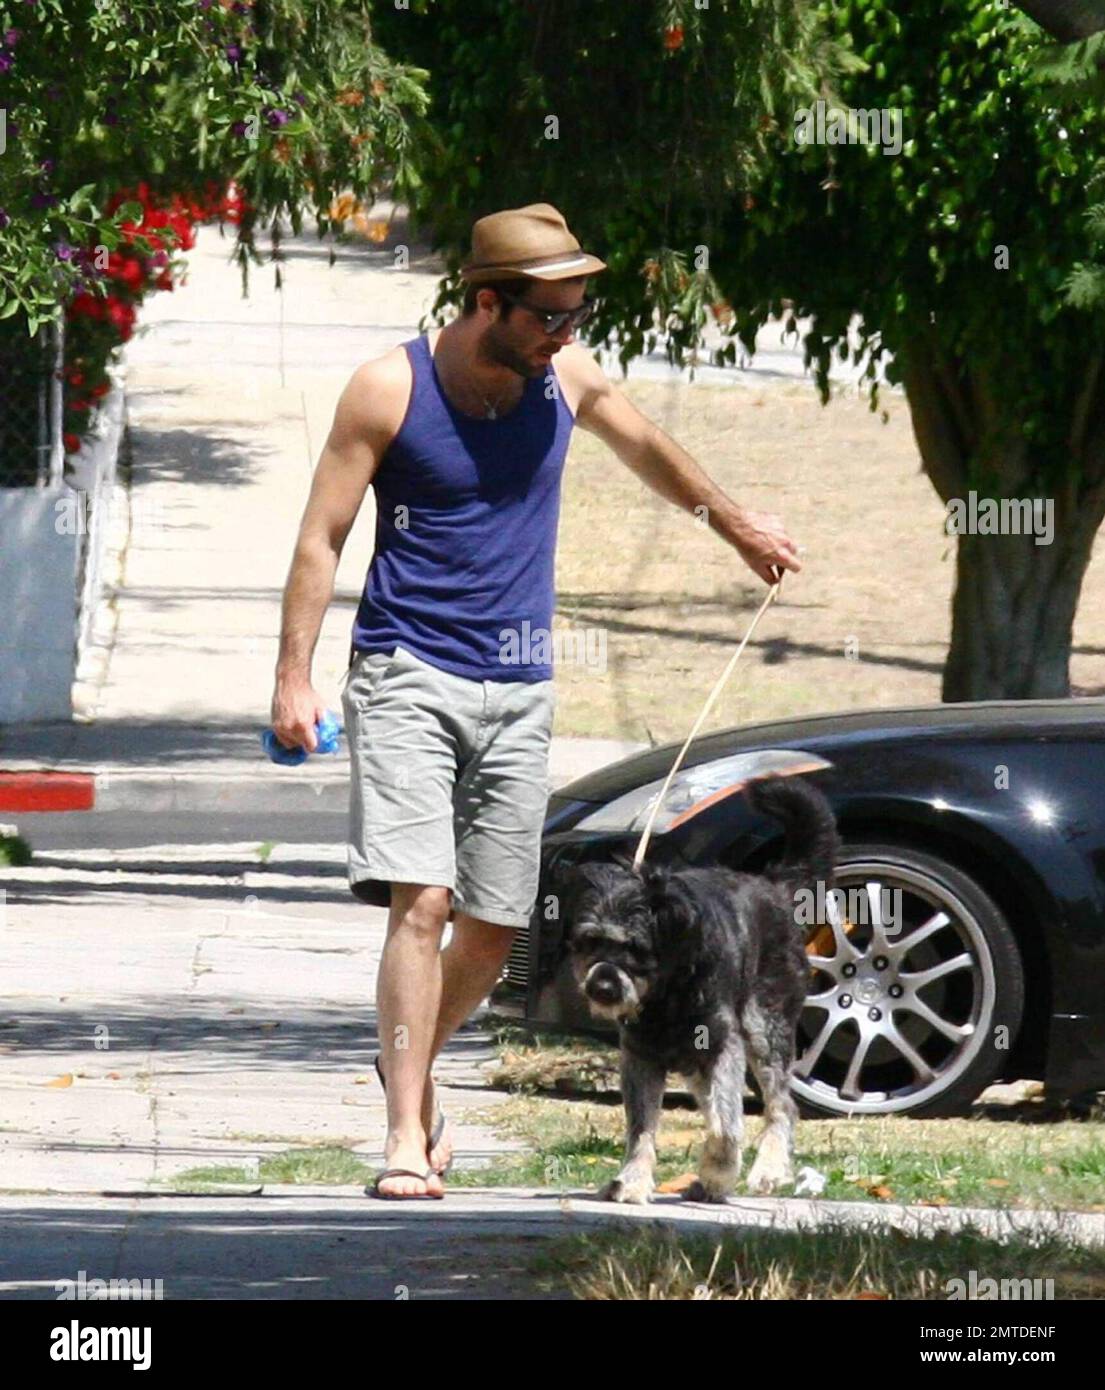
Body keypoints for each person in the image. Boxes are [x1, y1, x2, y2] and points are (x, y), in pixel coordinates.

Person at [270, 202, 801, 1199]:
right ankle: (402, 1135)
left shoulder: (566, 378)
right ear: (487, 302)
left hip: (518, 678)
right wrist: (292, 675)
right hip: (405, 669)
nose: (567, 332)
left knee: (499, 923)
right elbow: (319, 539)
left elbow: (648, 450)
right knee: (421, 899)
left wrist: (736, 528)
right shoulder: (390, 387)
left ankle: (406, 1059)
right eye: (549, 316)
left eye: (576, 313)